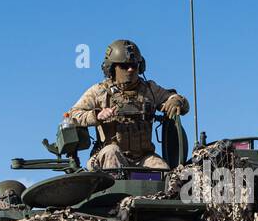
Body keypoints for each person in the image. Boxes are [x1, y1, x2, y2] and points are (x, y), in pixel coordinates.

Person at [66, 39, 188, 170]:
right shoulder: (100, 91)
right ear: (111, 68)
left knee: (162, 169)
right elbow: (72, 115)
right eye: (124, 66)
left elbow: (178, 101)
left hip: (143, 157)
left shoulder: (149, 90)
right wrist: (96, 115)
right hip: (106, 155)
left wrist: (176, 101)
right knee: (111, 152)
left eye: (134, 65)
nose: (130, 69)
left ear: (140, 67)